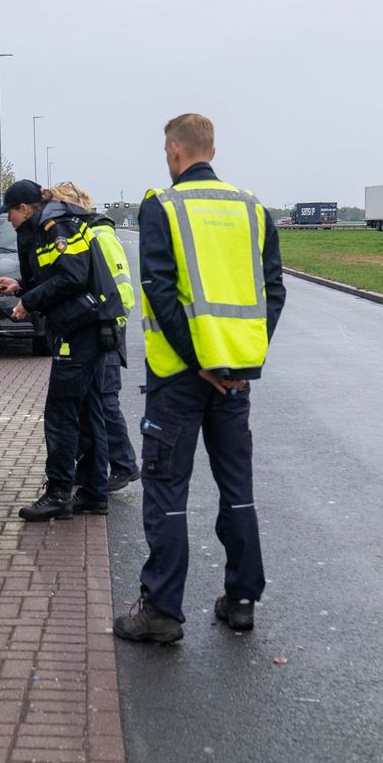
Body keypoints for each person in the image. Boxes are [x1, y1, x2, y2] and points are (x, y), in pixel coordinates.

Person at [113, 113, 286, 645]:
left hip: (178, 378)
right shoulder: (253, 208)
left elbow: (160, 292)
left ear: (173, 150)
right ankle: (241, 601)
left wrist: (198, 361)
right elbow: (273, 291)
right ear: (213, 148)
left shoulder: (162, 206)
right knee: (237, 490)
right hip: (234, 380)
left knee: (166, 491)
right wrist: (236, 361)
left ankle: (162, 612)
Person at [0, 179, 124, 522]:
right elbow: (57, 274)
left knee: (61, 413)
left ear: (24, 208)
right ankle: (94, 493)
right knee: (89, 410)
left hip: (82, 330)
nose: (8, 221)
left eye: (9, 213)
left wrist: (28, 301)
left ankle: (59, 493)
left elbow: (74, 276)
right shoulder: (51, 224)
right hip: (90, 326)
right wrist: (22, 286)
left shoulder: (56, 225)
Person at [54, 182, 141, 498]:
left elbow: (122, 290)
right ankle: (90, 466)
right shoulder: (80, 236)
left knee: (104, 402)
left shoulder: (101, 238)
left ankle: (124, 464)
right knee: (89, 404)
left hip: (106, 333)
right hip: (93, 331)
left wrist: (110, 328)